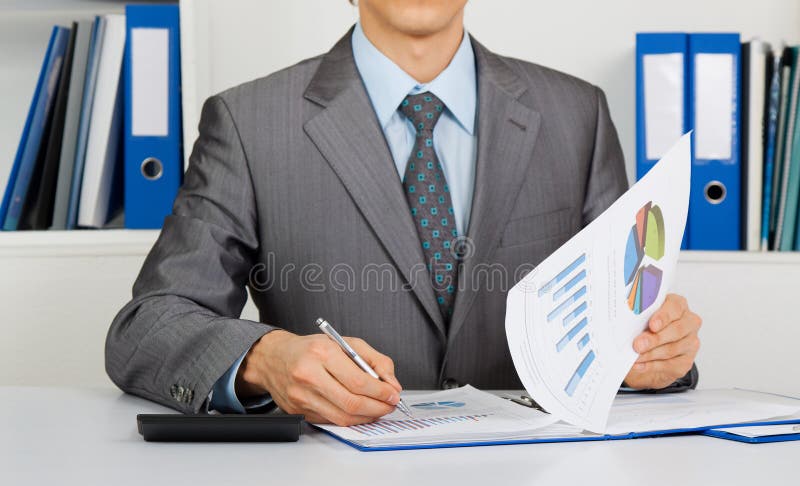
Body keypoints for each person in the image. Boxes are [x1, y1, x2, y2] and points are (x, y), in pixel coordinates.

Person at [106, 0, 702, 426]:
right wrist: (266, 359)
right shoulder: (249, 122)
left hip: (540, 484)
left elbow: (624, 313)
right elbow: (147, 327)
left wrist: (653, 354)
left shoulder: (578, 114)